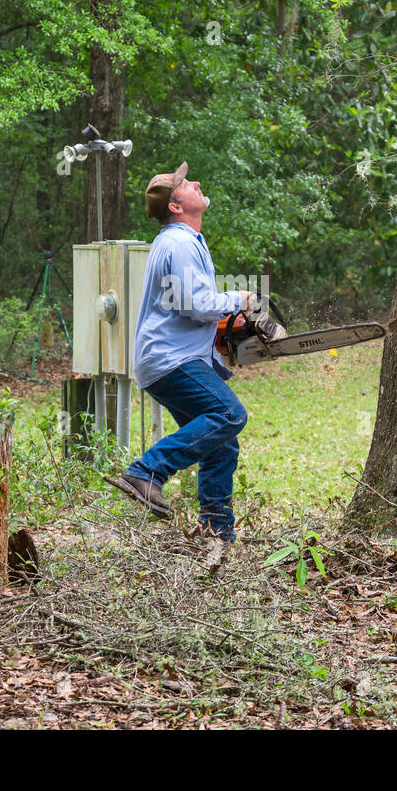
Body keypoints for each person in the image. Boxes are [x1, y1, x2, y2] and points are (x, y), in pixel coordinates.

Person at [104, 161, 258, 544]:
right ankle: (147, 471)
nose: (196, 182)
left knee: (221, 443)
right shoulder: (180, 243)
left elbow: (189, 308)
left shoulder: (180, 242)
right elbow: (198, 304)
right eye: (186, 184)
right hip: (171, 360)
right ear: (175, 206)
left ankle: (216, 533)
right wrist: (237, 299)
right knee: (229, 414)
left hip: (168, 358)